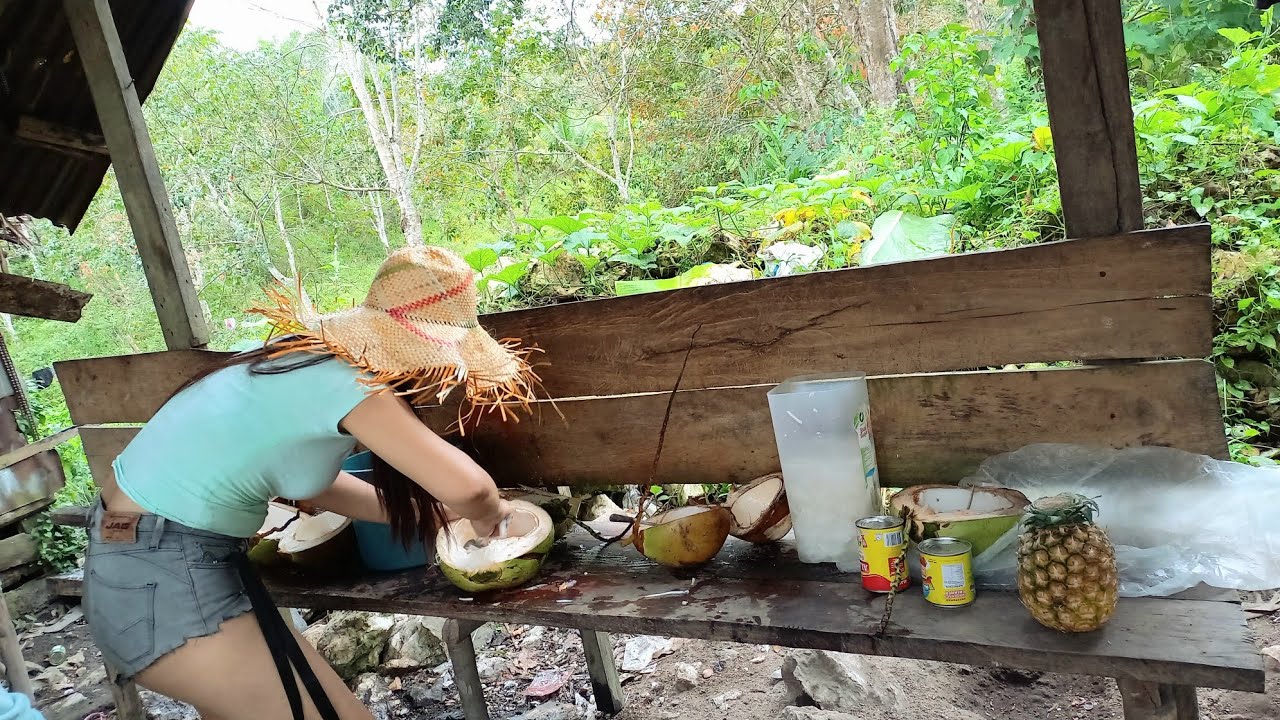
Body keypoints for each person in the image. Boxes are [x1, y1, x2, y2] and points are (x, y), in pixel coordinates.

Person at [83, 246, 539, 720]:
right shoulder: (350, 380)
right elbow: (472, 489)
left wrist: (444, 514)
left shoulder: (291, 362)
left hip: (131, 563)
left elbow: (319, 487)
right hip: (171, 579)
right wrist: (491, 515)